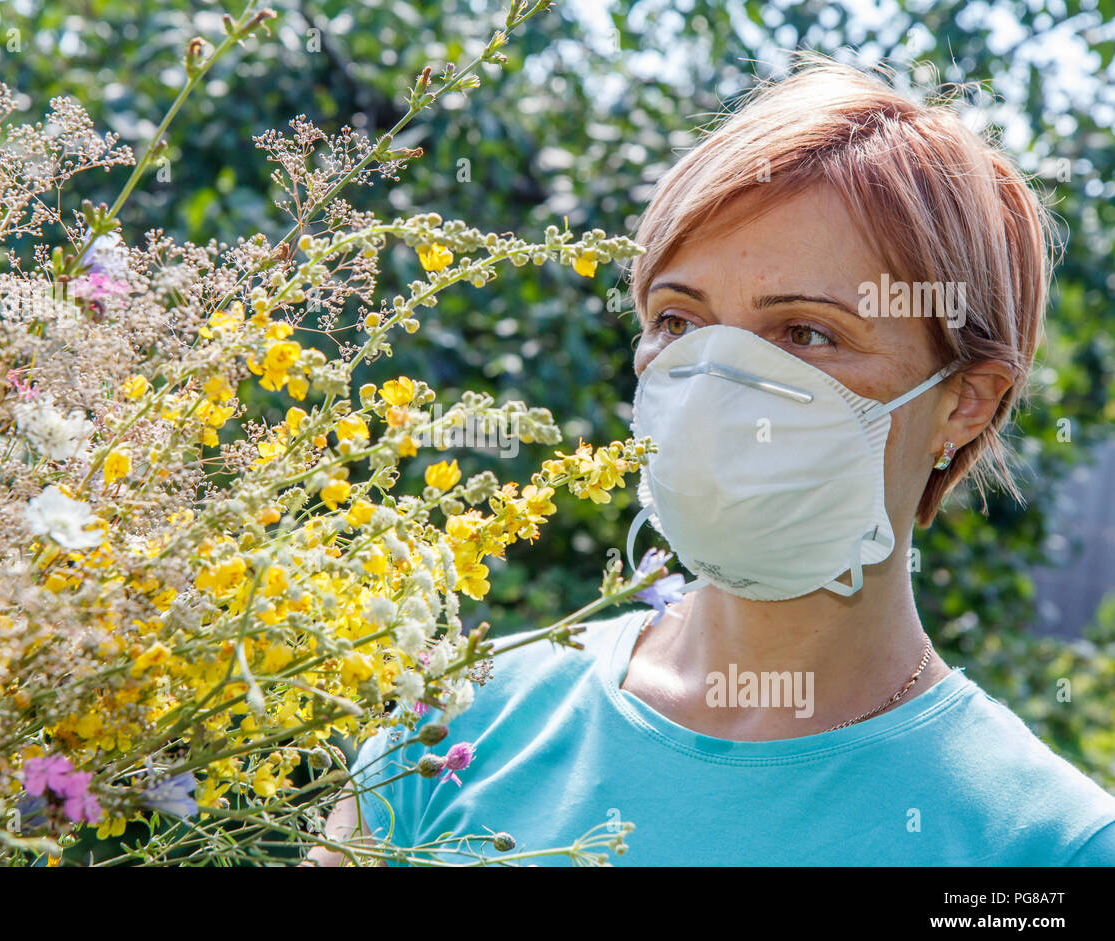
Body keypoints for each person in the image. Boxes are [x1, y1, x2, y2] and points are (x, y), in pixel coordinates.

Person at [308, 57, 1115, 867]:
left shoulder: (1044, 847)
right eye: (679, 320)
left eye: (807, 333)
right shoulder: (455, 729)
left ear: (966, 399)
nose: (717, 382)